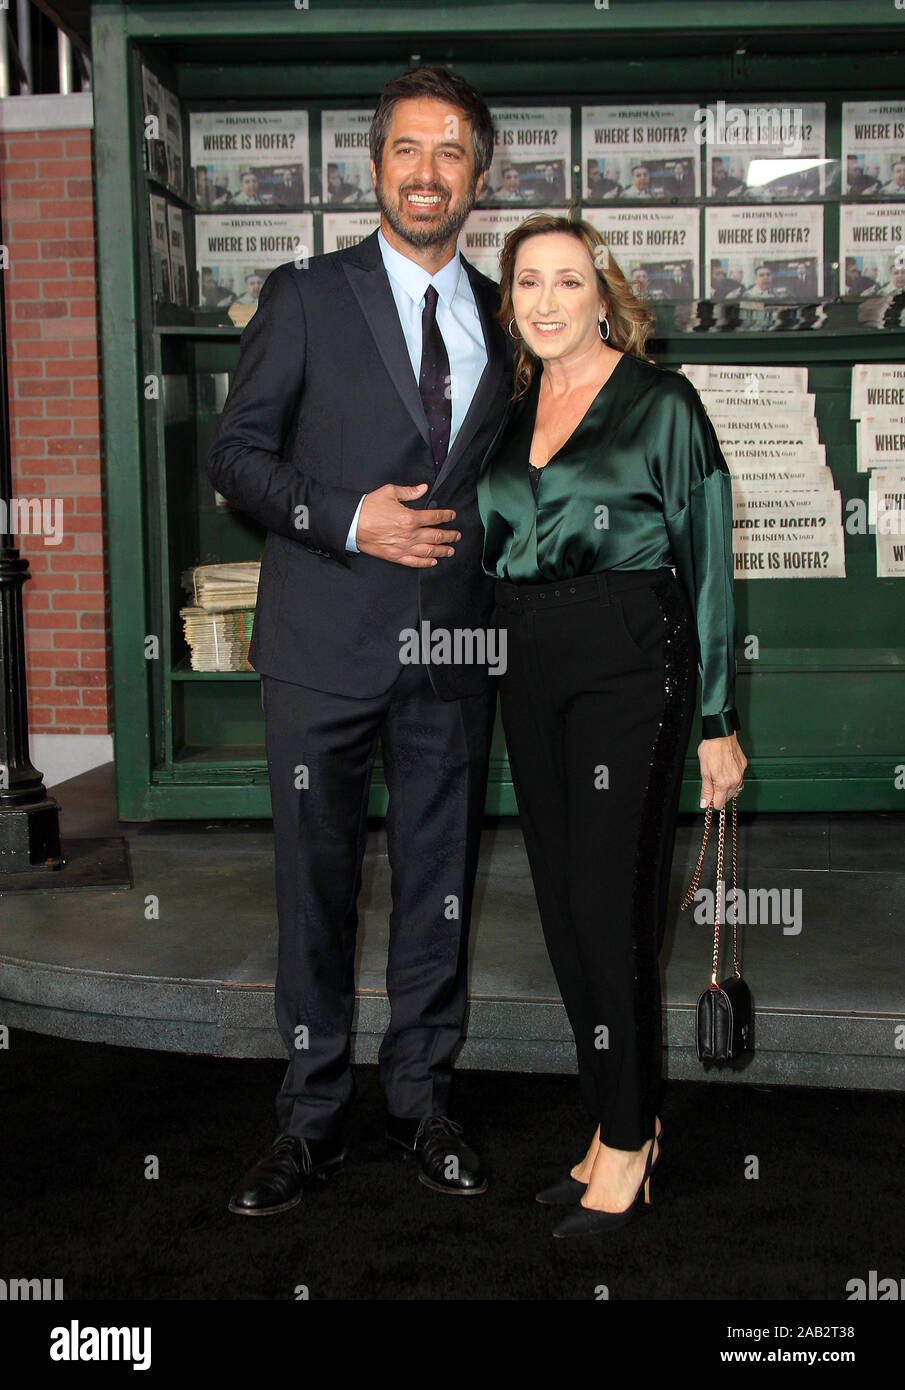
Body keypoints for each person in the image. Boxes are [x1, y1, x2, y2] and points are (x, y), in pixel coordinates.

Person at [207, 66, 511, 1216]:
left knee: (439, 887)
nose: (425, 171)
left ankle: (422, 1099)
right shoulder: (302, 296)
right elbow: (234, 458)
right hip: (319, 646)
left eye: (448, 153)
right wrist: (347, 517)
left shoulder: (501, 316)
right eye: (405, 150)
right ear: (372, 165)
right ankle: (309, 1114)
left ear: (479, 176)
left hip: (452, 656)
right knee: (313, 889)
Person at [477, 213, 747, 1238]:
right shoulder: (505, 410)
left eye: (567, 281)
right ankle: (607, 1117)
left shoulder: (660, 404)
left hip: (631, 656)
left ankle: (632, 1141)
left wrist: (717, 714)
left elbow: (709, 559)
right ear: (512, 301)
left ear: (603, 292)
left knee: (608, 902)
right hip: (524, 659)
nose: (547, 300)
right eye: (527, 283)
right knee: (558, 905)